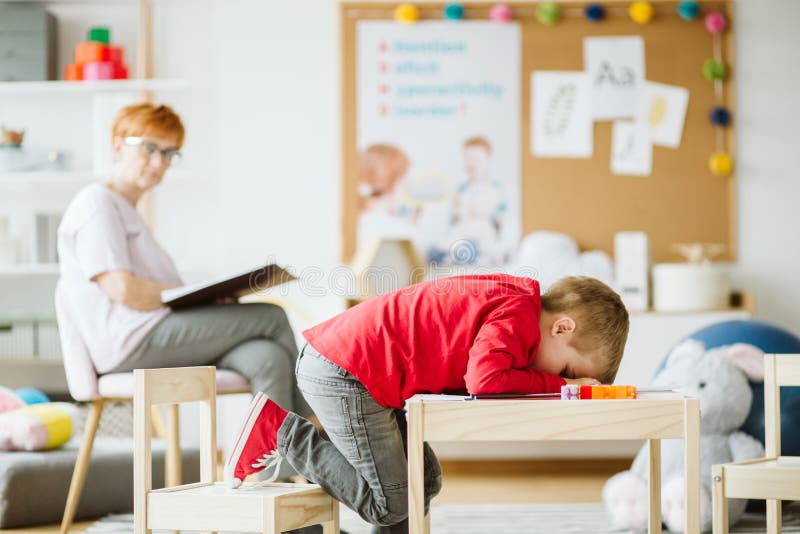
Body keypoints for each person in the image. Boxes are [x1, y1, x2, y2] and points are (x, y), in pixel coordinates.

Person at [224, 274, 629, 533]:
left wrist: (556, 380)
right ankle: (283, 431)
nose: (563, 379)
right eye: (569, 370)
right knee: (389, 503)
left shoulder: (517, 305)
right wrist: (558, 384)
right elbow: (484, 380)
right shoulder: (519, 314)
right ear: (562, 328)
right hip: (346, 371)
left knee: (423, 481)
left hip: (365, 374)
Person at [56, 103, 312, 435]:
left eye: (168, 153)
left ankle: (276, 466)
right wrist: (189, 298)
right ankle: (317, 433)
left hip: (150, 332)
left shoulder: (127, 210)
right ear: (117, 144)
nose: (159, 162)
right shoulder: (97, 203)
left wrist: (205, 300)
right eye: (150, 148)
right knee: (272, 316)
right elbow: (124, 290)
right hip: (131, 340)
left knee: (268, 358)